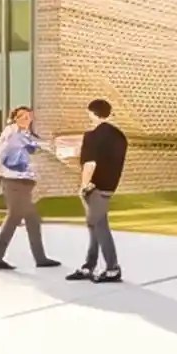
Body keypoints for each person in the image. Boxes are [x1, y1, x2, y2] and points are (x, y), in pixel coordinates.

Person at [0, 106, 61, 270]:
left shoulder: (25, 136)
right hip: (14, 185)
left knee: (27, 220)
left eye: (29, 116)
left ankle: (38, 258)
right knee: (18, 218)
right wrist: (9, 173)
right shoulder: (10, 135)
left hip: (24, 186)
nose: (26, 119)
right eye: (22, 116)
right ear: (14, 119)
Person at [66, 99, 128, 284]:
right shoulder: (120, 136)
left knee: (99, 228)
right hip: (110, 186)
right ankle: (89, 266)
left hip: (95, 188)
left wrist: (84, 185)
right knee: (94, 226)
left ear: (92, 113)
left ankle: (112, 269)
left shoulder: (92, 136)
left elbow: (90, 163)